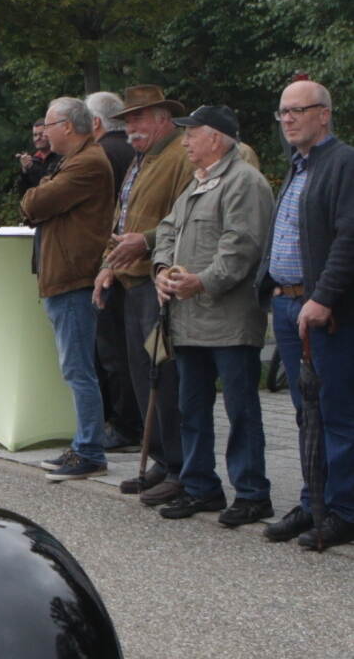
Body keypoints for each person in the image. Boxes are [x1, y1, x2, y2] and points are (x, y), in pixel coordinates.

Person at [149, 105, 274, 524]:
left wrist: (201, 281)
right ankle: (201, 487)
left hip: (230, 322)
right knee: (192, 408)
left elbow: (241, 247)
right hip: (189, 321)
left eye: (191, 134)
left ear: (217, 139)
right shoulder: (198, 183)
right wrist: (163, 270)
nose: (184, 141)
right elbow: (167, 229)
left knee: (241, 411)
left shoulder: (244, 182)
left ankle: (253, 493)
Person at [259, 77, 354, 549]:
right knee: (304, 414)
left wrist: (324, 297)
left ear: (324, 114)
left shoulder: (343, 163)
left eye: (299, 110)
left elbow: (348, 238)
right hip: (288, 304)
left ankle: (344, 510)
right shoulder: (297, 167)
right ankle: (313, 500)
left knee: (337, 413)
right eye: (283, 112)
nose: (289, 119)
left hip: (324, 311)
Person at [94, 86, 197, 506]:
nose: (130, 128)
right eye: (127, 121)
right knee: (143, 376)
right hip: (130, 280)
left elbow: (184, 219)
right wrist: (107, 265)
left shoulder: (179, 156)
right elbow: (122, 220)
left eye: (138, 119)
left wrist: (147, 243)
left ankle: (180, 465)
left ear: (162, 118)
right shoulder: (143, 157)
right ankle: (161, 457)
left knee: (163, 377)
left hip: (156, 281)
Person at [21, 97, 116, 481]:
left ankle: (90, 449)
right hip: (65, 275)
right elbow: (40, 200)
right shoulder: (74, 161)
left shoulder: (87, 163)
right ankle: (85, 443)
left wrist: (41, 188)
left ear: (69, 126)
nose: (43, 131)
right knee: (75, 366)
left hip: (74, 276)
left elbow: (35, 201)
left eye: (49, 123)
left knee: (78, 368)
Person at [83, 90, 143, 448]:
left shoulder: (101, 153)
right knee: (125, 349)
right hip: (125, 259)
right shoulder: (135, 155)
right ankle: (128, 421)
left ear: (94, 122)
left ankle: (123, 423)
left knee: (111, 351)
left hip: (112, 260)